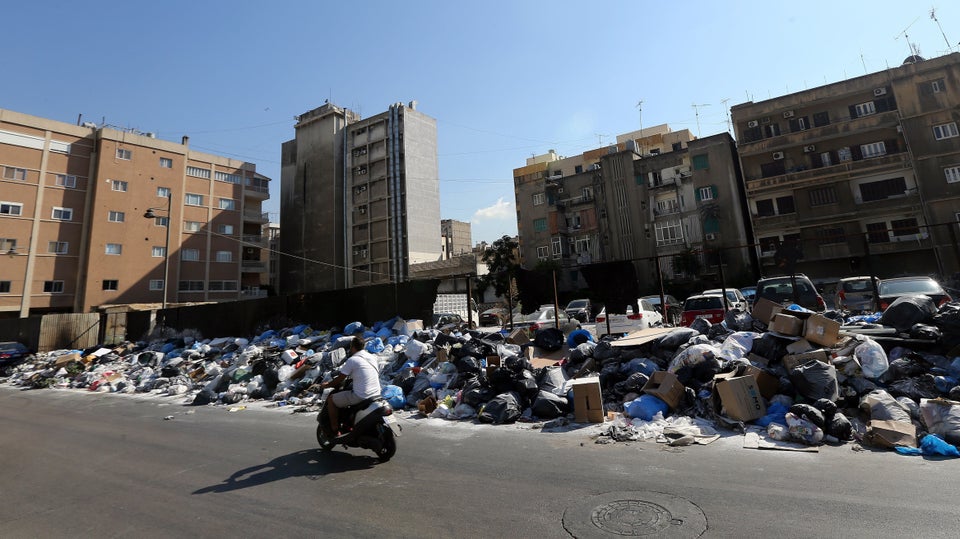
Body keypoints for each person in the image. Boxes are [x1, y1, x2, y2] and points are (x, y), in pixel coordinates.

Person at [321, 336, 381, 436]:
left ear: (352, 347)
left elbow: (340, 378)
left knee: (331, 399)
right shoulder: (372, 357)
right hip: (376, 394)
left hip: (361, 396)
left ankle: (335, 430)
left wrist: (327, 385)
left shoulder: (353, 360)